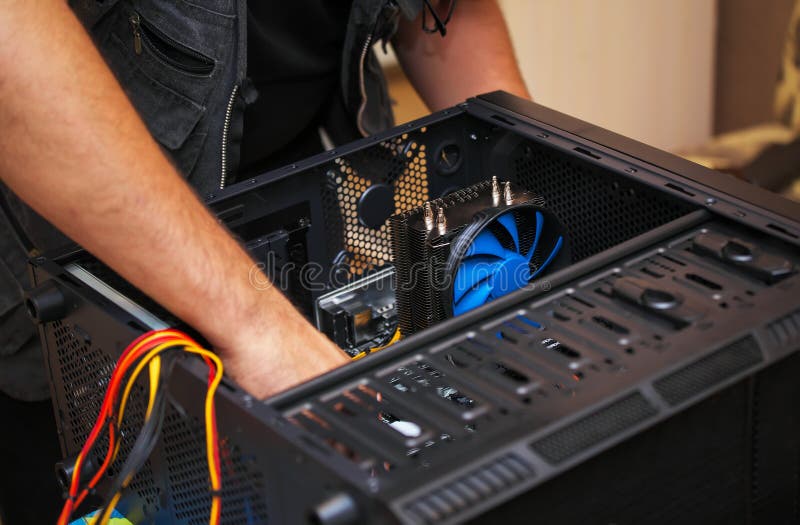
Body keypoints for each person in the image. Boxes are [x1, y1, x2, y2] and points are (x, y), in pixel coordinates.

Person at [0, 0, 530, 522]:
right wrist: (254, 326)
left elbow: (446, 14)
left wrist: (528, 172)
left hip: (293, 187)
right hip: (87, 228)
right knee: (111, 479)